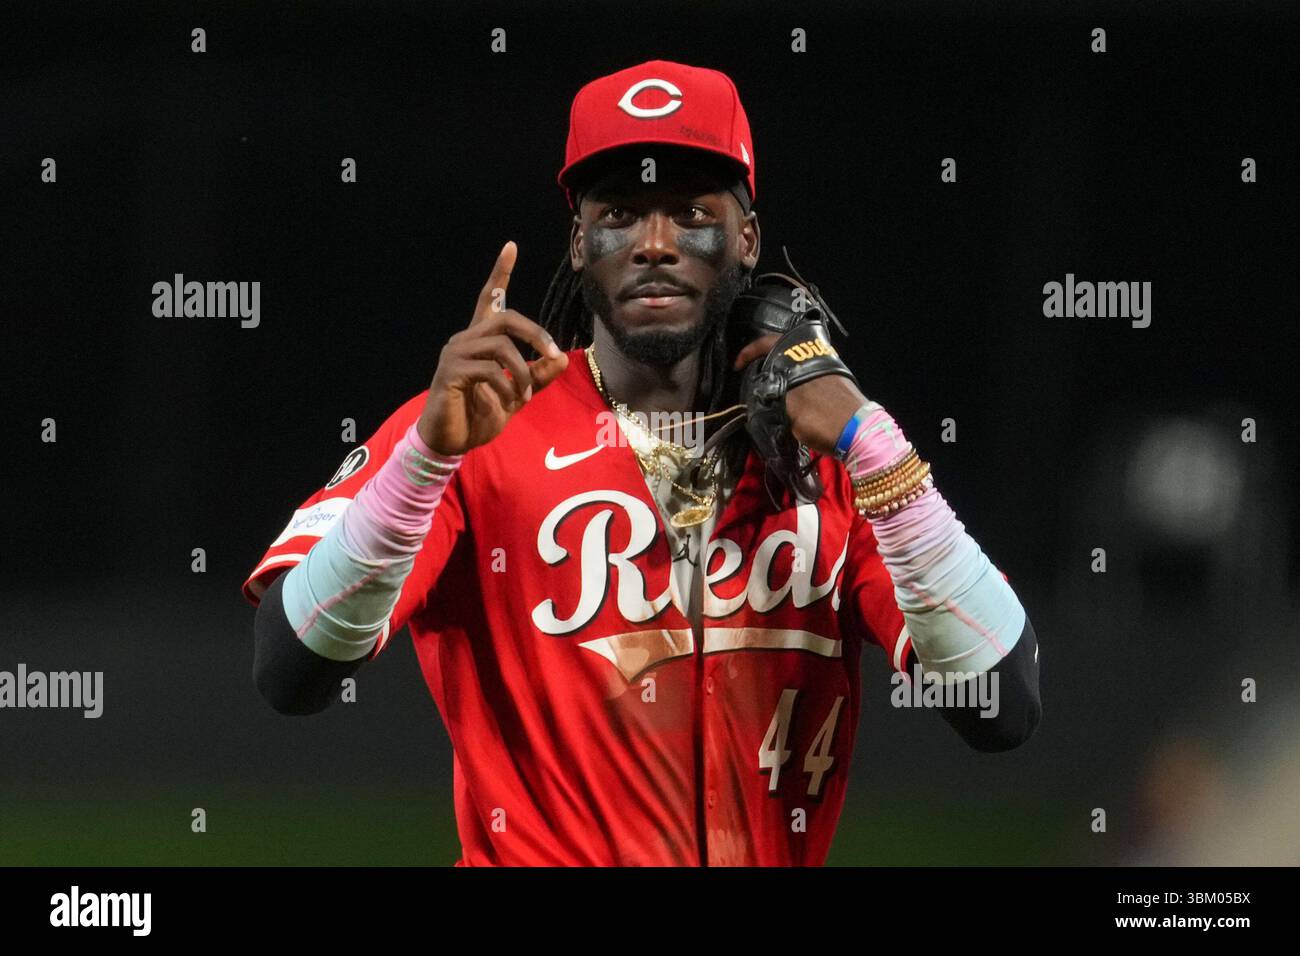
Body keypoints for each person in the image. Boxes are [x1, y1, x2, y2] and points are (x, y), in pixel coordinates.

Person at [242, 59, 1041, 866]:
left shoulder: (826, 451)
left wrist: (872, 443)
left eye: (690, 211)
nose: (655, 244)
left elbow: (1000, 707)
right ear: (580, 242)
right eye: (621, 211)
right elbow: (292, 668)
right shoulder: (472, 427)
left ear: (747, 239)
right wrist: (424, 464)